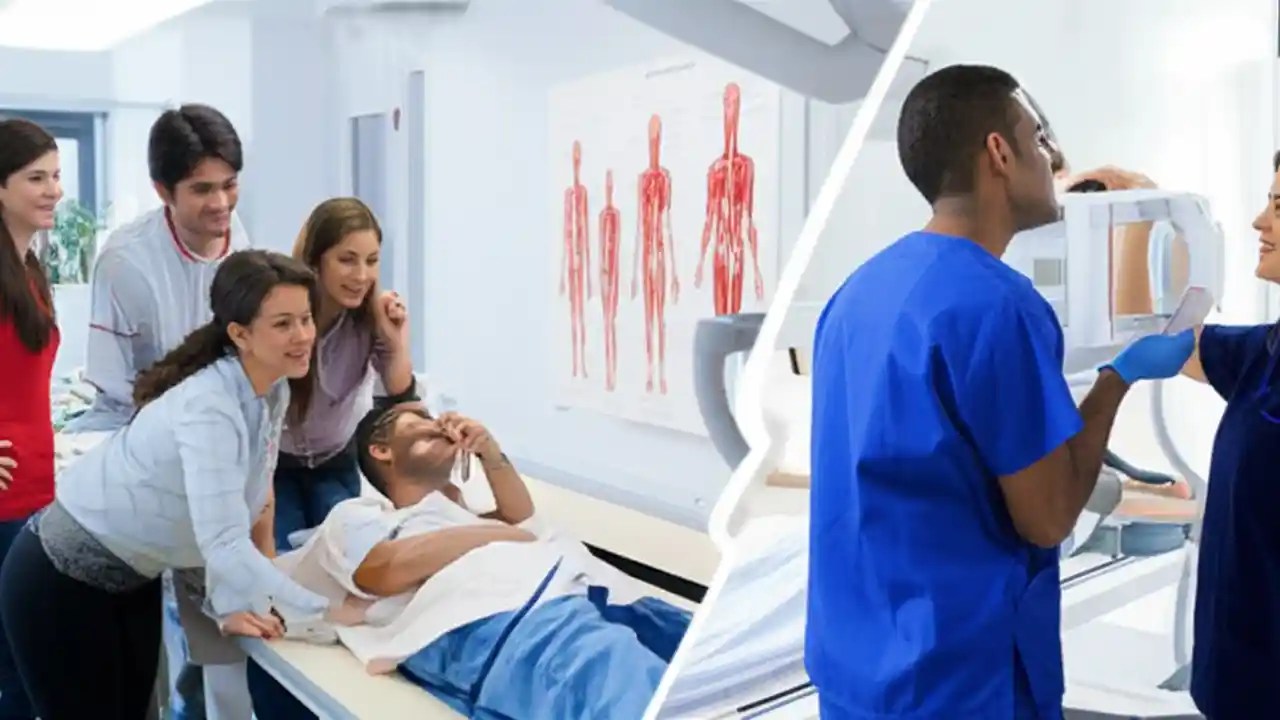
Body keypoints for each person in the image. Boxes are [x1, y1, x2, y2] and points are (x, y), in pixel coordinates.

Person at [805, 64, 1197, 720]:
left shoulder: (857, 293)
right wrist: (1117, 379)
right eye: (1041, 140)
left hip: (860, 679)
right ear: (999, 151)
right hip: (959, 683)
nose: (1054, 161)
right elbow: (1047, 518)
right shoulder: (997, 306)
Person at [0, 250, 361, 720]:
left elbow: (226, 516)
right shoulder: (209, 405)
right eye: (283, 324)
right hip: (59, 579)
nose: (302, 337)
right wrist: (326, 610)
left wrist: (225, 605)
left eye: (307, 319)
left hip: (130, 579)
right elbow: (225, 542)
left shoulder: (270, 390)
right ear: (240, 334)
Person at [258, 394, 690, 720]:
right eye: (419, 419)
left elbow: (526, 520)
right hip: (513, 622)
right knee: (633, 688)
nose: (436, 423)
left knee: (719, 669)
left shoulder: (459, 517)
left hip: (592, 597)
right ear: (381, 449)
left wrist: (488, 450)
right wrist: (496, 533)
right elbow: (384, 570)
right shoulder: (360, 515)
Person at [1071, 154, 1280, 718]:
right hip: (1236, 678)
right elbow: (1167, 331)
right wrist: (1141, 211)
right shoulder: (1265, 352)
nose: (1260, 222)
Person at [70, 103, 251, 432]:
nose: (221, 204)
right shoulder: (124, 261)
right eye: (202, 189)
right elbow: (114, 388)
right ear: (162, 191)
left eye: (229, 185)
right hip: (130, 425)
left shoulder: (237, 238)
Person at [274, 197, 415, 553]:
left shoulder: (372, 315)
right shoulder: (280, 310)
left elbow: (400, 395)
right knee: (285, 563)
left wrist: (395, 339)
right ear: (316, 260)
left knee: (349, 561)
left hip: (334, 460)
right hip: (274, 467)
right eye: (347, 260)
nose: (361, 276)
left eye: (371, 261)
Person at [0, 118, 63, 720]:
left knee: (26, 665)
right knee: (12, 669)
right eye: (35, 178)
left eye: (56, 176)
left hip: (36, 491)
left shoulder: (30, 270)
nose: (53, 191)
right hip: (1, 502)